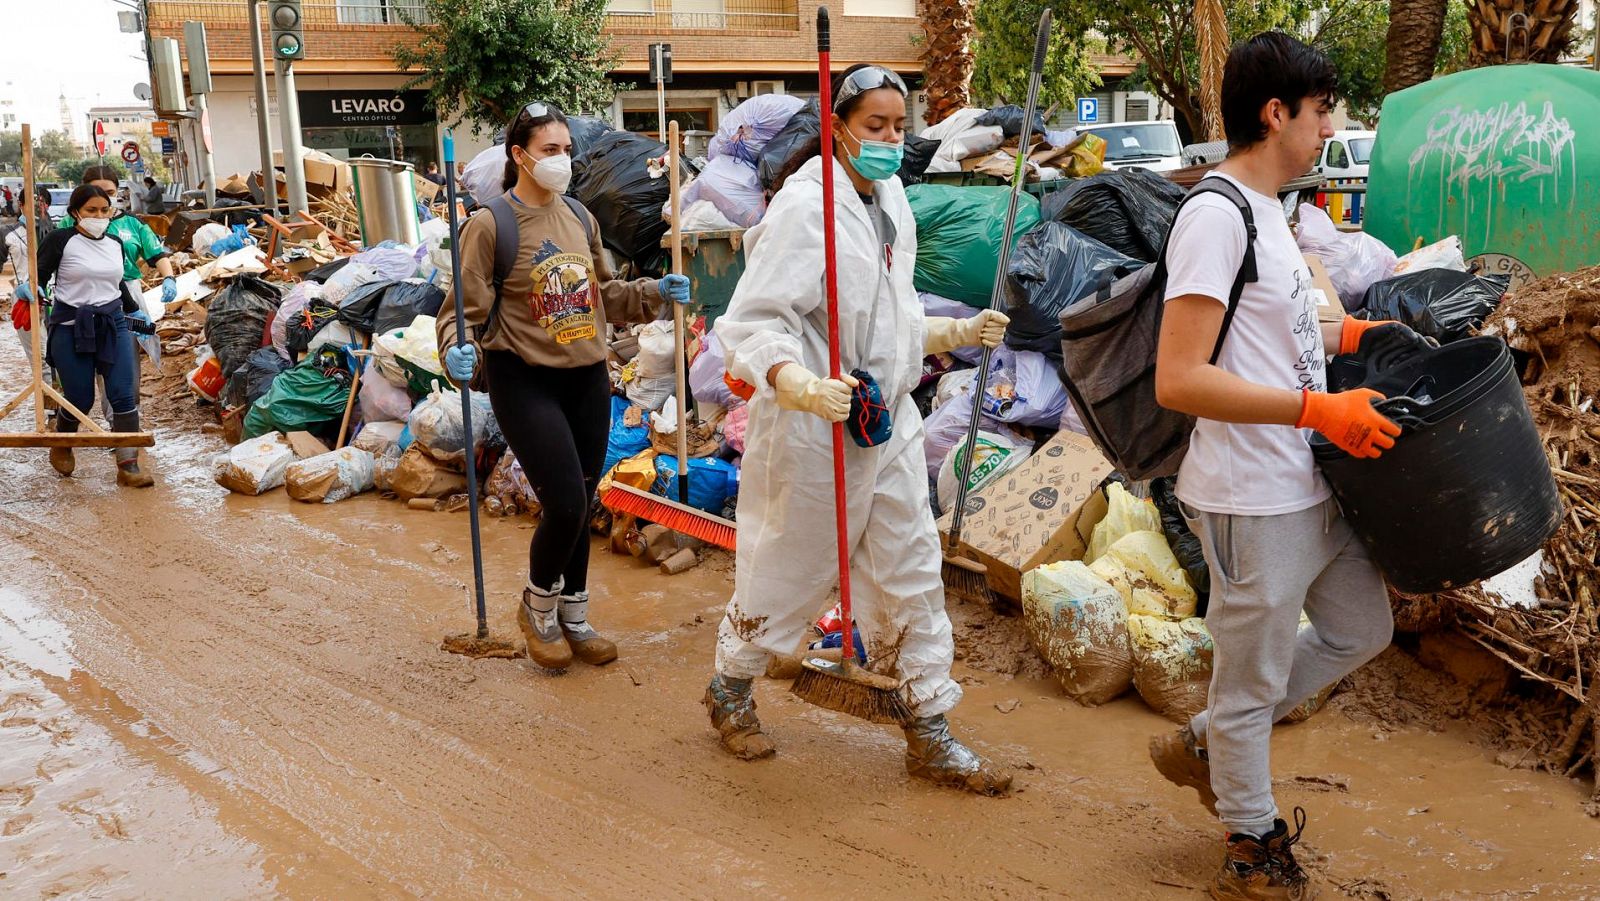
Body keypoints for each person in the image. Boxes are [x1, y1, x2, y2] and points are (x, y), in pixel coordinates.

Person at [703, 64, 1012, 795]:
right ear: (838, 126)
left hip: (887, 418)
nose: (890, 140)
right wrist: (800, 384)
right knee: (789, 568)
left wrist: (955, 330)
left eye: (899, 127)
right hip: (815, 427)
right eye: (875, 126)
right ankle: (731, 685)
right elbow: (752, 321)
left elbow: (889, 320)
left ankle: (928, 725)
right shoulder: (805, 208)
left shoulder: (893, 201)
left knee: (912, 570)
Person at [1148, 32, 1402, 900]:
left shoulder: (1272, 213)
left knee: (1361, 629)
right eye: (1323, 109)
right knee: (1252, 680)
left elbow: (1275, 336)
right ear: (1275, 113)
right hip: (1250, 495)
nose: (1330, 124)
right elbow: (1180, 377)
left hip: (1309, 477)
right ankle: (1250, 845)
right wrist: (1316, 406)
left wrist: (1358, 335)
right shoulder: (1215, 215)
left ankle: (1211, 738)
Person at [435, 101, 690, 670]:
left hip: (587, 378)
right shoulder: (490, 225)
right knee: (566, 502)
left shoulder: (580, 215)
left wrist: (654, 292)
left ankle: (575, 616)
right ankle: (537, 606)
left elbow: (606, 295)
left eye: (566, 150)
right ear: (519, 156)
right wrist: (456, 344)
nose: (562, 161)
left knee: (582, 495)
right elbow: (463, 309)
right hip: (523, 378)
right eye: (550, 151)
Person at [35, 184, 154, 487]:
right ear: (76, 212)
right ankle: (62, 444)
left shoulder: (114, 242)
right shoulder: (60, 240)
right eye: (91, 210)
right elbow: (39, 276)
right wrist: (31, 290)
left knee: (124, 394)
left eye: (104, 210)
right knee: (79, 396)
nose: (99, 216)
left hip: (113, 323)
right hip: (70, 326)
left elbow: (118, 283)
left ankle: (128, 466)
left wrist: (134, 311)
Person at [64, 167, 178, 314]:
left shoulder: (132, 223)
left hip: (129, 292)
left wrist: (169, 278)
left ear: (117, 191)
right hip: (84, 295)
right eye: (96, 191)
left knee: (139, 335)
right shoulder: (70, 222)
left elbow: (157, 254)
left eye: (110, 193)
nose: (102, 197)